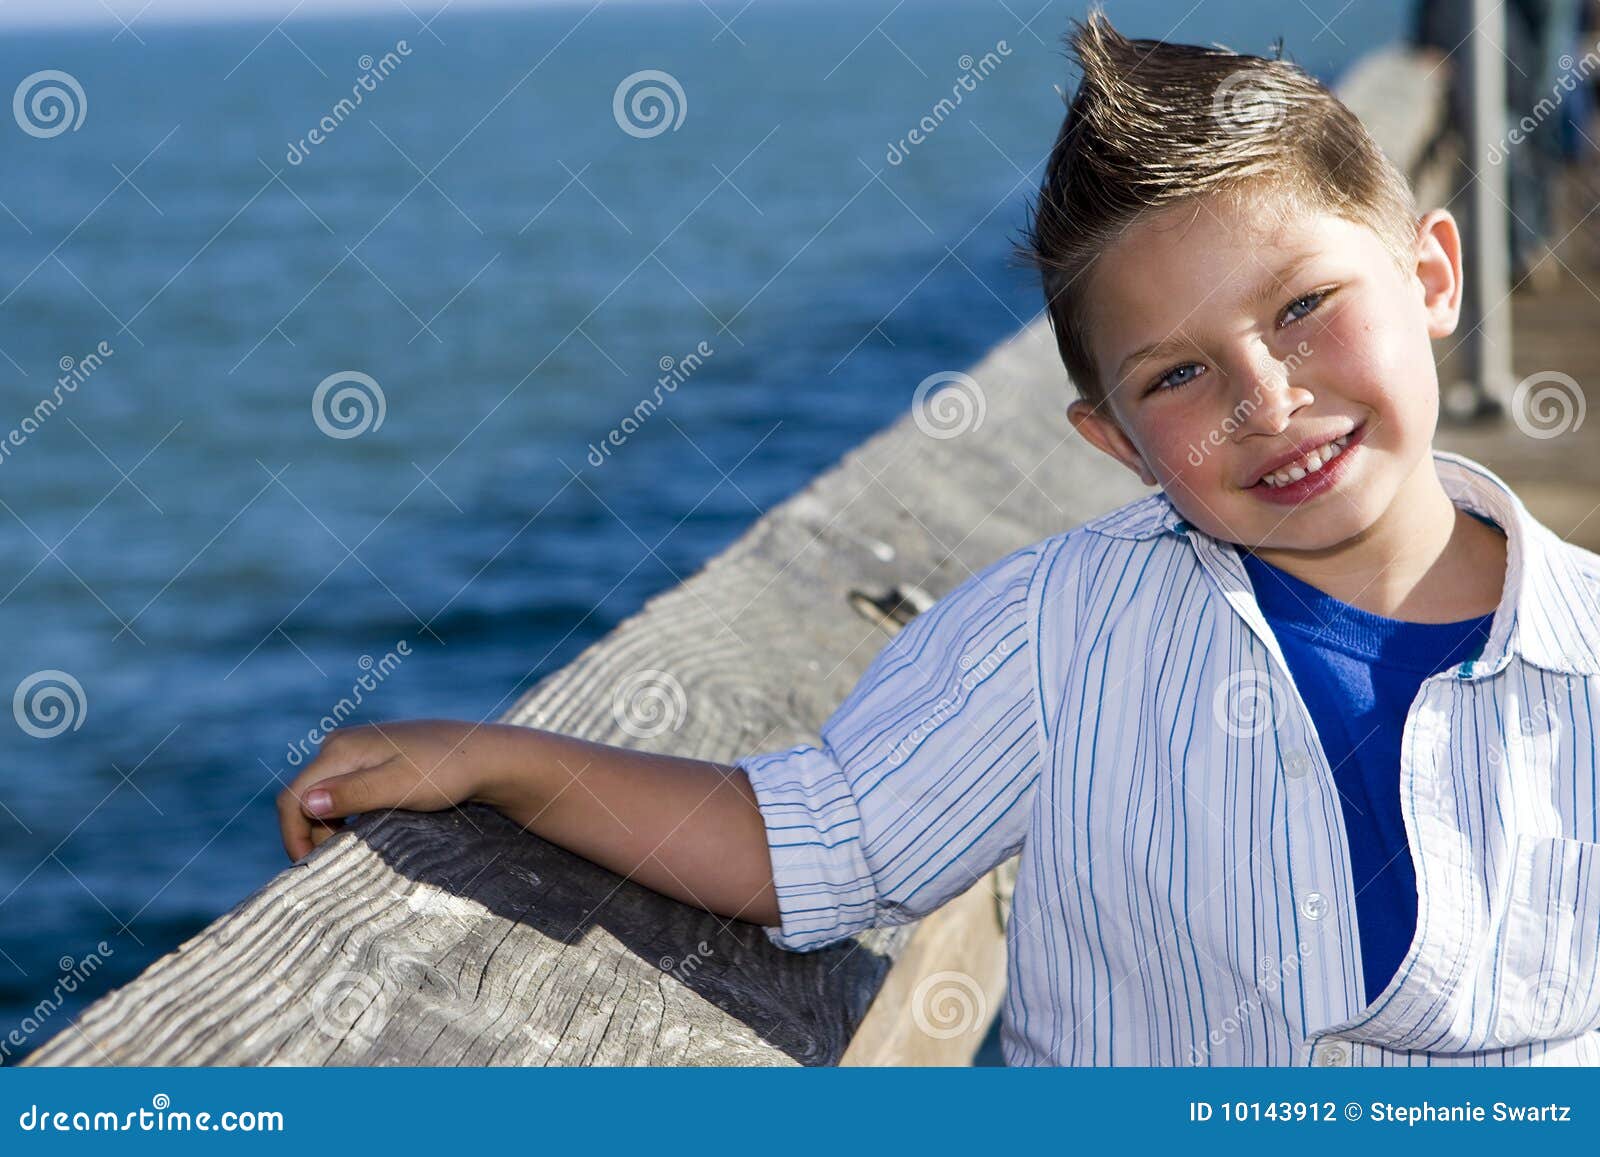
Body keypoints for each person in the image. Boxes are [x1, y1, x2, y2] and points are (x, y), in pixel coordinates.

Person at [277, 10, 1600, 1066]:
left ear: (1432, 276)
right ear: (1112, 440)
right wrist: (500, 761)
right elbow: (813, 841)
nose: (1267, 396)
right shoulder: (1055, 637)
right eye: (1177, 377)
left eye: (1305, 303)